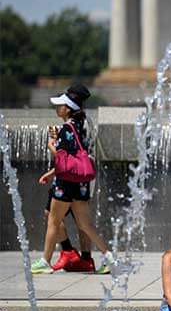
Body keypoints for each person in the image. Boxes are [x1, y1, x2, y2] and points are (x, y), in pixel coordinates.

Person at [31, 84, 114, 275]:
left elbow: (61, 156)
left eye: (60, 105)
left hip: (66, 183)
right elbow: (74, 157)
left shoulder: (67, 128)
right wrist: (51, 172)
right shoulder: (80, 125)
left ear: (67, 109)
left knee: (53, 220)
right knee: (85, 224)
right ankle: (110, 258)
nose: (57, 108)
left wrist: (51, 144)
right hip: (80, 181)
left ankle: (45, 261)